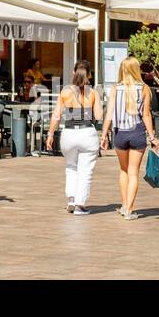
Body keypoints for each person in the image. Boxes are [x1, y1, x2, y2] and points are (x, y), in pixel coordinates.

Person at [100, 56, 159, 221]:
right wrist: (152, 136)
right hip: (137, 132)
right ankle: (129, 210)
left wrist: (103, 136)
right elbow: (146, 114)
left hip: (120, 133)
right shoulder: (144, 88)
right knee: (133, 173)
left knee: (123, 170)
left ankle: (124, 205)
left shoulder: (115, 88)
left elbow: (109, 114)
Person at [45, 60, 103, 215]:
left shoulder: (65, 92)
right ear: (89, 74)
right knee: (85, 170)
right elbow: (98, 116)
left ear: (73, 72)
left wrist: (50, 134)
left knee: (71, 167)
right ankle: (80, 205)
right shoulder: (93, 93)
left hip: (68, 133)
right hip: (87, 133)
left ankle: (71, 199)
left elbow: (56, 116)